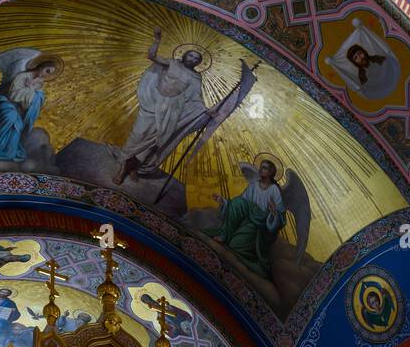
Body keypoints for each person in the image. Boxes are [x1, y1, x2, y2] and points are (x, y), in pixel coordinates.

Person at [114, 29, 208, 184]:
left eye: (195, 58)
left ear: (198, 63)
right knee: (138, 134)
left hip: (172, 109)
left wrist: (207, 111)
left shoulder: (196, 77)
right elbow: (151, 57)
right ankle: (123, 165)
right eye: (190, 55)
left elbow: (195, 98)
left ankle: (131, 168)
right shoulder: (172, 63)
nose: (192, 59)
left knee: (155, 141)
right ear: (184, 55)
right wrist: (157, 40)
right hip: (154, 102)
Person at [213, 160, 286, 280]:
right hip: (248, 218)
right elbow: (240, 202)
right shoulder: (253, 185)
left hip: (260, 226)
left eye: (265, 168)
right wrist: (224, 202)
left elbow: (281, 216)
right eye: (261, 167)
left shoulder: (274, 190)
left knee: (234, 245)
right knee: (237, 202)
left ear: (271, 172)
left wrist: (274, 213)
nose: (262, 169)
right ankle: (224, 235)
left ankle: (251, 259)